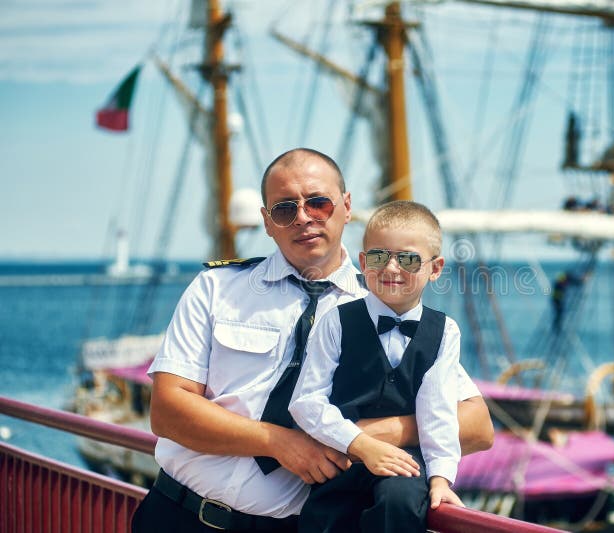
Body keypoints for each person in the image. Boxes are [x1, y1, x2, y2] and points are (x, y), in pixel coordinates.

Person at [131, 148, 493, 532]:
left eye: (318, 203)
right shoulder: (217, 288)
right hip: (175, 514)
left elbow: (476, 425)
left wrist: (353, 438)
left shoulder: (384, 306)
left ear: (347, 206)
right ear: (268, 223)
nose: (304, 217)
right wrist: (277, 441)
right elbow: (167, 410)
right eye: (285, 209)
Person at [289, 201, 462, 533]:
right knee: (324, 519)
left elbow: (438, 414)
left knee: (399, 504)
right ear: (364, 262)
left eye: (409, 259)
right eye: (380, 257)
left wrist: (441, 479)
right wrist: (360, 444)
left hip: (404, 464)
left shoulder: (445, 331)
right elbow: (306, 402)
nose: (392, 269)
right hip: (343, 457)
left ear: (435, 268)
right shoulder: (336, 321)